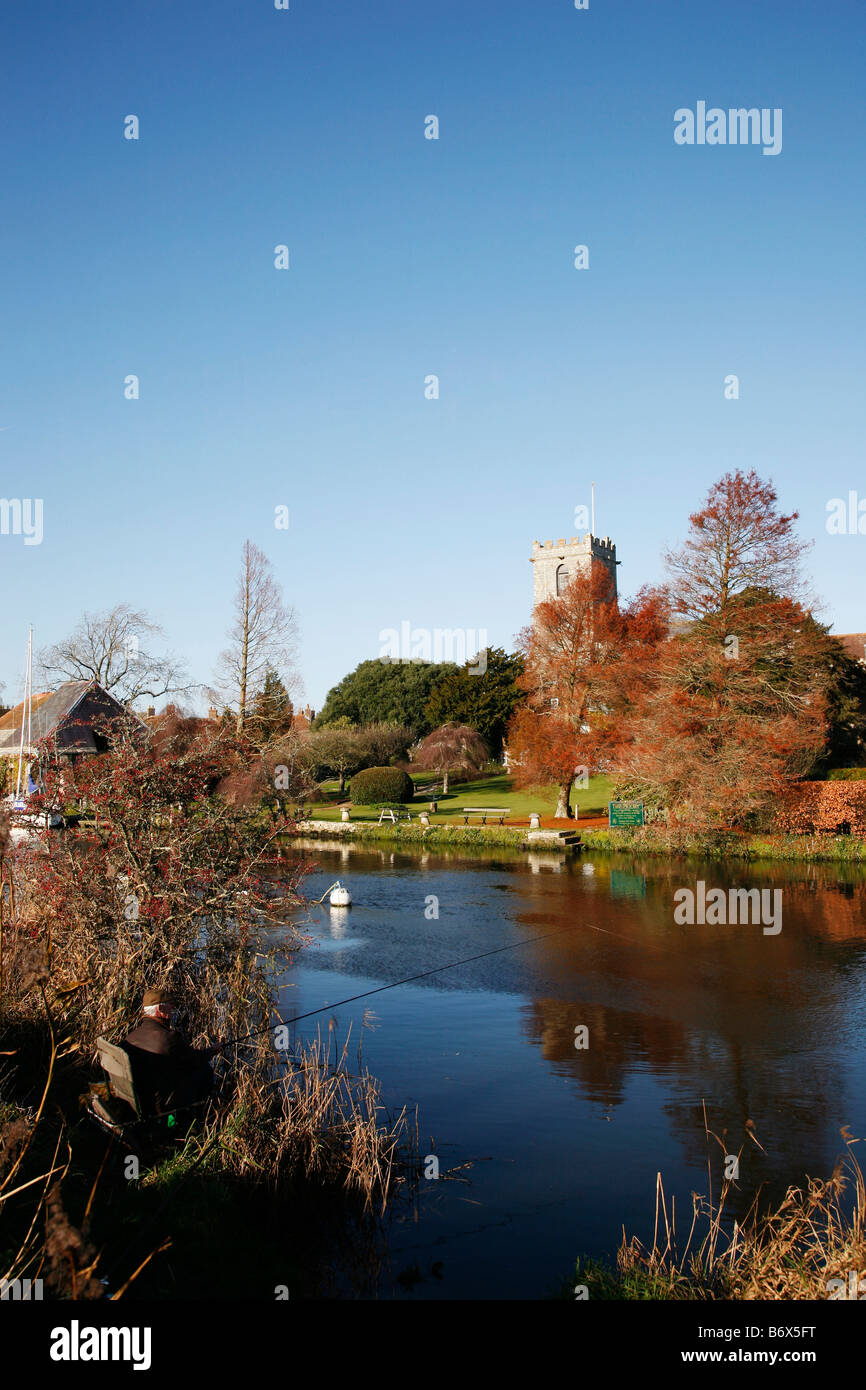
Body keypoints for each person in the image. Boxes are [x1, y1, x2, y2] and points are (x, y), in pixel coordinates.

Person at [123, 988, 225, 1121]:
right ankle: (190, 1121)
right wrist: (213, 1050)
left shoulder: (131, 1037)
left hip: (140, 1098)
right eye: (170, 1008)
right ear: (160, 1009)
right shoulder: (169, 1038)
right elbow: (195, 1059)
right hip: (158, 1105)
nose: (172, 1012)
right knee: (205, 1071)